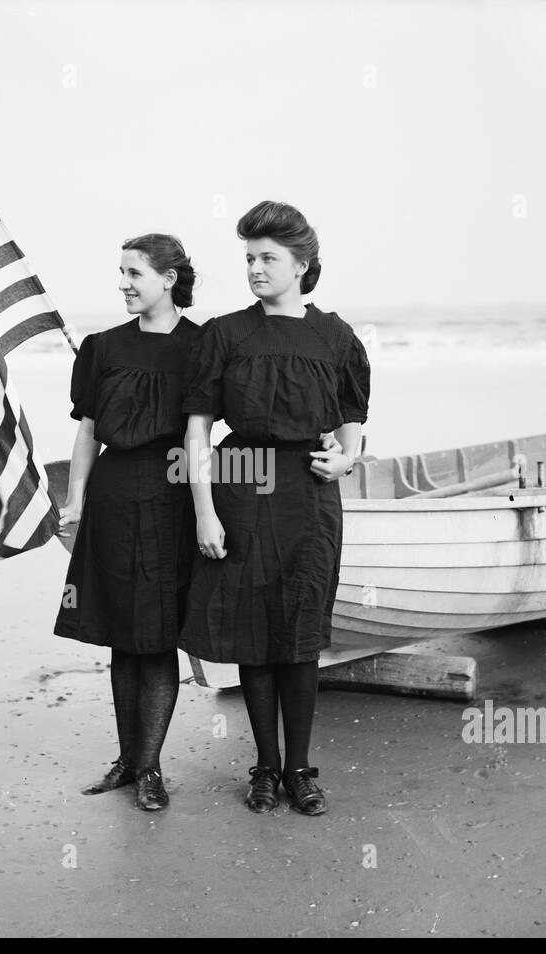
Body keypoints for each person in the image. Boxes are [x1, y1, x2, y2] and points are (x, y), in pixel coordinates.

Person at [178, 201, 370, 816]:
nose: (256, 269)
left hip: (310, 495)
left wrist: (348, 459)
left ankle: (300, 770)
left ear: (301, 264)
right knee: (254, 635)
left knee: (301, 634)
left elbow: (352, 421)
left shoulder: (334, 336)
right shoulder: (226, 334)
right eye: (250, 259)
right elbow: (197, 433)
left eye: (268, 259)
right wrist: (205, 512)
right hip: (241, 481)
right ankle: (263, 768)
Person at [53, 234, 201, 812]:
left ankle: (151, 768)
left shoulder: (201, 347)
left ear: (169, 278)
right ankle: (126, 759)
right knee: (120, 632)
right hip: (114, 496)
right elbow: (88, 430)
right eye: (120, 272)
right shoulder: (102, 347)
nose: (123, 283)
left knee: (157, 635)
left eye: (134, 272)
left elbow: (208, 435)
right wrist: (76, 498)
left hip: (172, 495)